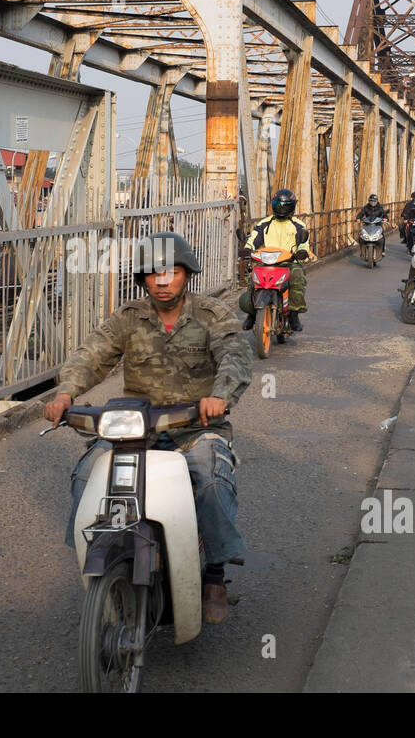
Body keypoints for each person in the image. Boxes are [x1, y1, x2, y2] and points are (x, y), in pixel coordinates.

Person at [44, 232, 252, 624]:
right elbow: (93, 354)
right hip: (134, 429)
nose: (161, 281)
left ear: (186, 274)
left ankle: (215, 574)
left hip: (196, 427)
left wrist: (219, 396)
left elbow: (235, 355)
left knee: (210, 480)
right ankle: (96, 550)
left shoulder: (212, 315)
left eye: (170, 272)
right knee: (87, 475)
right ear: (142, 279)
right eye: (152, 273)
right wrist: (65, 394)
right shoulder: (129, 317)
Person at [240, 188, 311, 331]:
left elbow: (304, 243)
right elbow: (253, 238)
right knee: (252, 279)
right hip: (266, 261)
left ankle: (294, 314)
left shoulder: (299, 225)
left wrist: (302, 252)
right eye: (278, 205)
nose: (281, 208)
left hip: (288, 262)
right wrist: (247, 248)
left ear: (291, 206)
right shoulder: (264, 223)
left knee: (297, 276)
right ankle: (252, 315)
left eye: (285, 205)